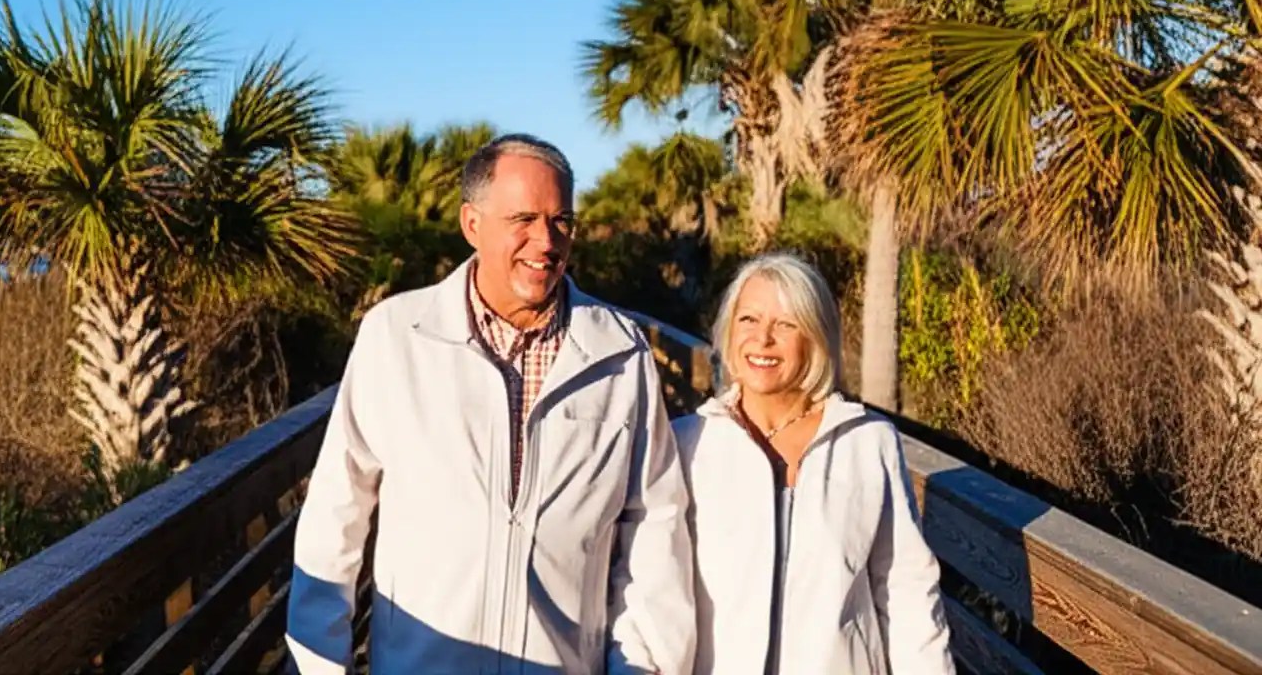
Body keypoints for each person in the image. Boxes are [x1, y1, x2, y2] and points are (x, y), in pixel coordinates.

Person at [286, 133, 696, 674]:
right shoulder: (397, 336)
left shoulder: (620, 353)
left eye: (561, 222)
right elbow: (337, 511)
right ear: (471, 224)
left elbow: (654, 525)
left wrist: (638, 666)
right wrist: (319, 665)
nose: (546, 242)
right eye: (523, 219)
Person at [673, 253, 954, 674]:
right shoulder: (686, 443)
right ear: (728, 330)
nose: (763, 338)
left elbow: (905, 589)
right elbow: (654, 590)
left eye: (786, 324)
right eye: (749, 319)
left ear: (817, 337)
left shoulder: (867, 442)